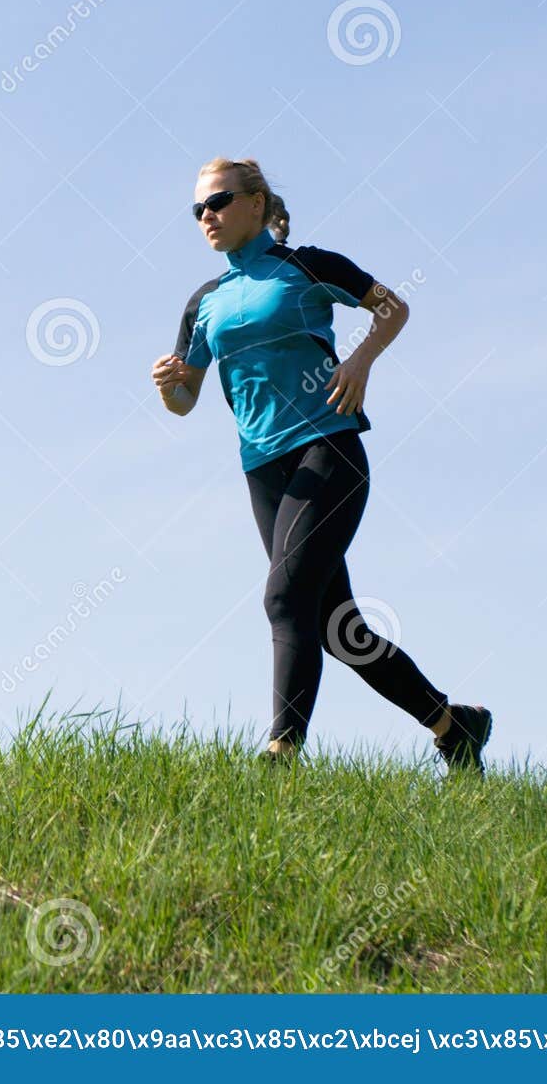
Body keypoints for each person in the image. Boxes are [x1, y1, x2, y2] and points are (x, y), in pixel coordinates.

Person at [150, 157, 492, 775]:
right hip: (263, 468)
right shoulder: (205, 302)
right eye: (197, 209)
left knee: (285, 599)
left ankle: (282, 754)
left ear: (256, 203)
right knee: (339, 629)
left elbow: (391, 307)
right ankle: (455, 727)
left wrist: (359, 361)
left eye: (219, 202)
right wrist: (169, 386)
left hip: (327, 448)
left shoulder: (306, 266)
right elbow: (184, 401)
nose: (207, 216)